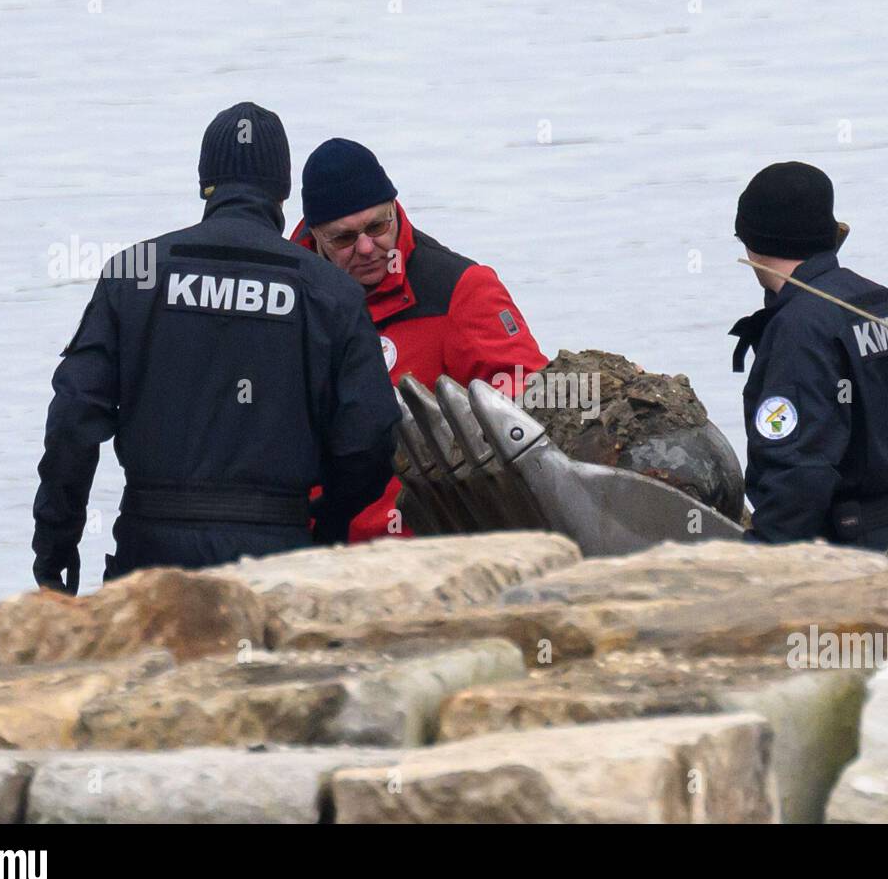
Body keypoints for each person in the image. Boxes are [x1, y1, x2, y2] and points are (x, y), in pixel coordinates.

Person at [31, 103, 399, 593]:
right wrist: (323, 527)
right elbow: (370, 439)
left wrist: (55, 552)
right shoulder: (330, 292)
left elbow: (72, 425)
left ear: (206, 181)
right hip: (278, 561)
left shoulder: (133, 273)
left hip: (149, 562)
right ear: (284, 191)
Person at [290, 138, 548, 541]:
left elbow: (528, 402)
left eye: (378, 226)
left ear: (395, 208)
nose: (366, 248)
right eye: (343, 238)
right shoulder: (285, 293)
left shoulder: (461, 289)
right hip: (303, 543)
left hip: (420, 547)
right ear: (315, 236)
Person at [729, 162, 888, 550]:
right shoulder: (887, 304)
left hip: (841, 550)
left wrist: (764, 560)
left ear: (750, 240)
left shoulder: (798, 330)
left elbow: (800, 473)